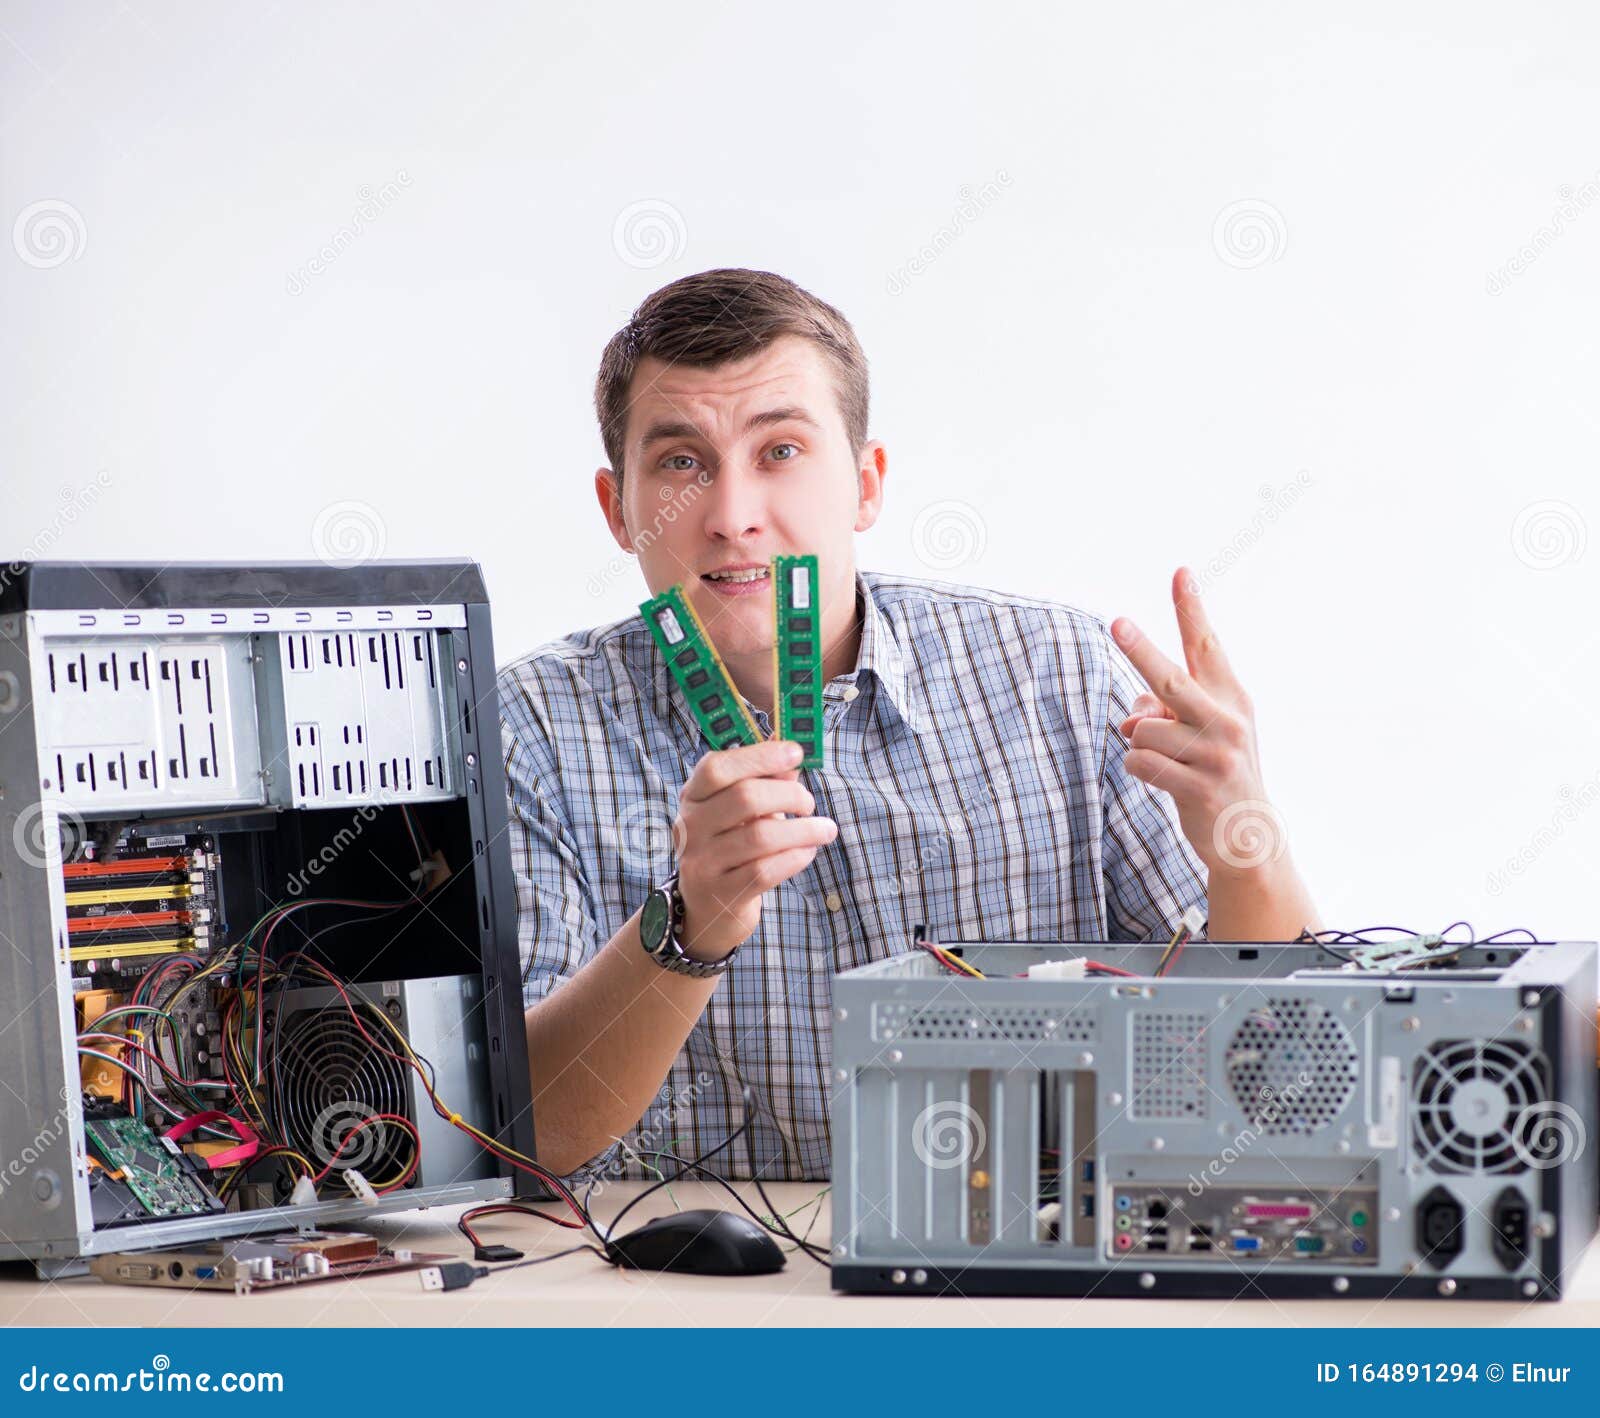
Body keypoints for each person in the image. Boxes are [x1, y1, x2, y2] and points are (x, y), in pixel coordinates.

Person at [498, 268, 1320, 1182]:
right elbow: (521, 1135)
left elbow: (1283, 1075)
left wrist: (1248, 843)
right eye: (682, 464)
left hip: (1039, 1254)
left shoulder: (1060, 676)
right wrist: (689, 927)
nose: (732, 518)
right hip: (692, 1274)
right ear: (618, 510)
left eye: (780, 452)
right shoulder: (531, 731)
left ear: (865, 485)